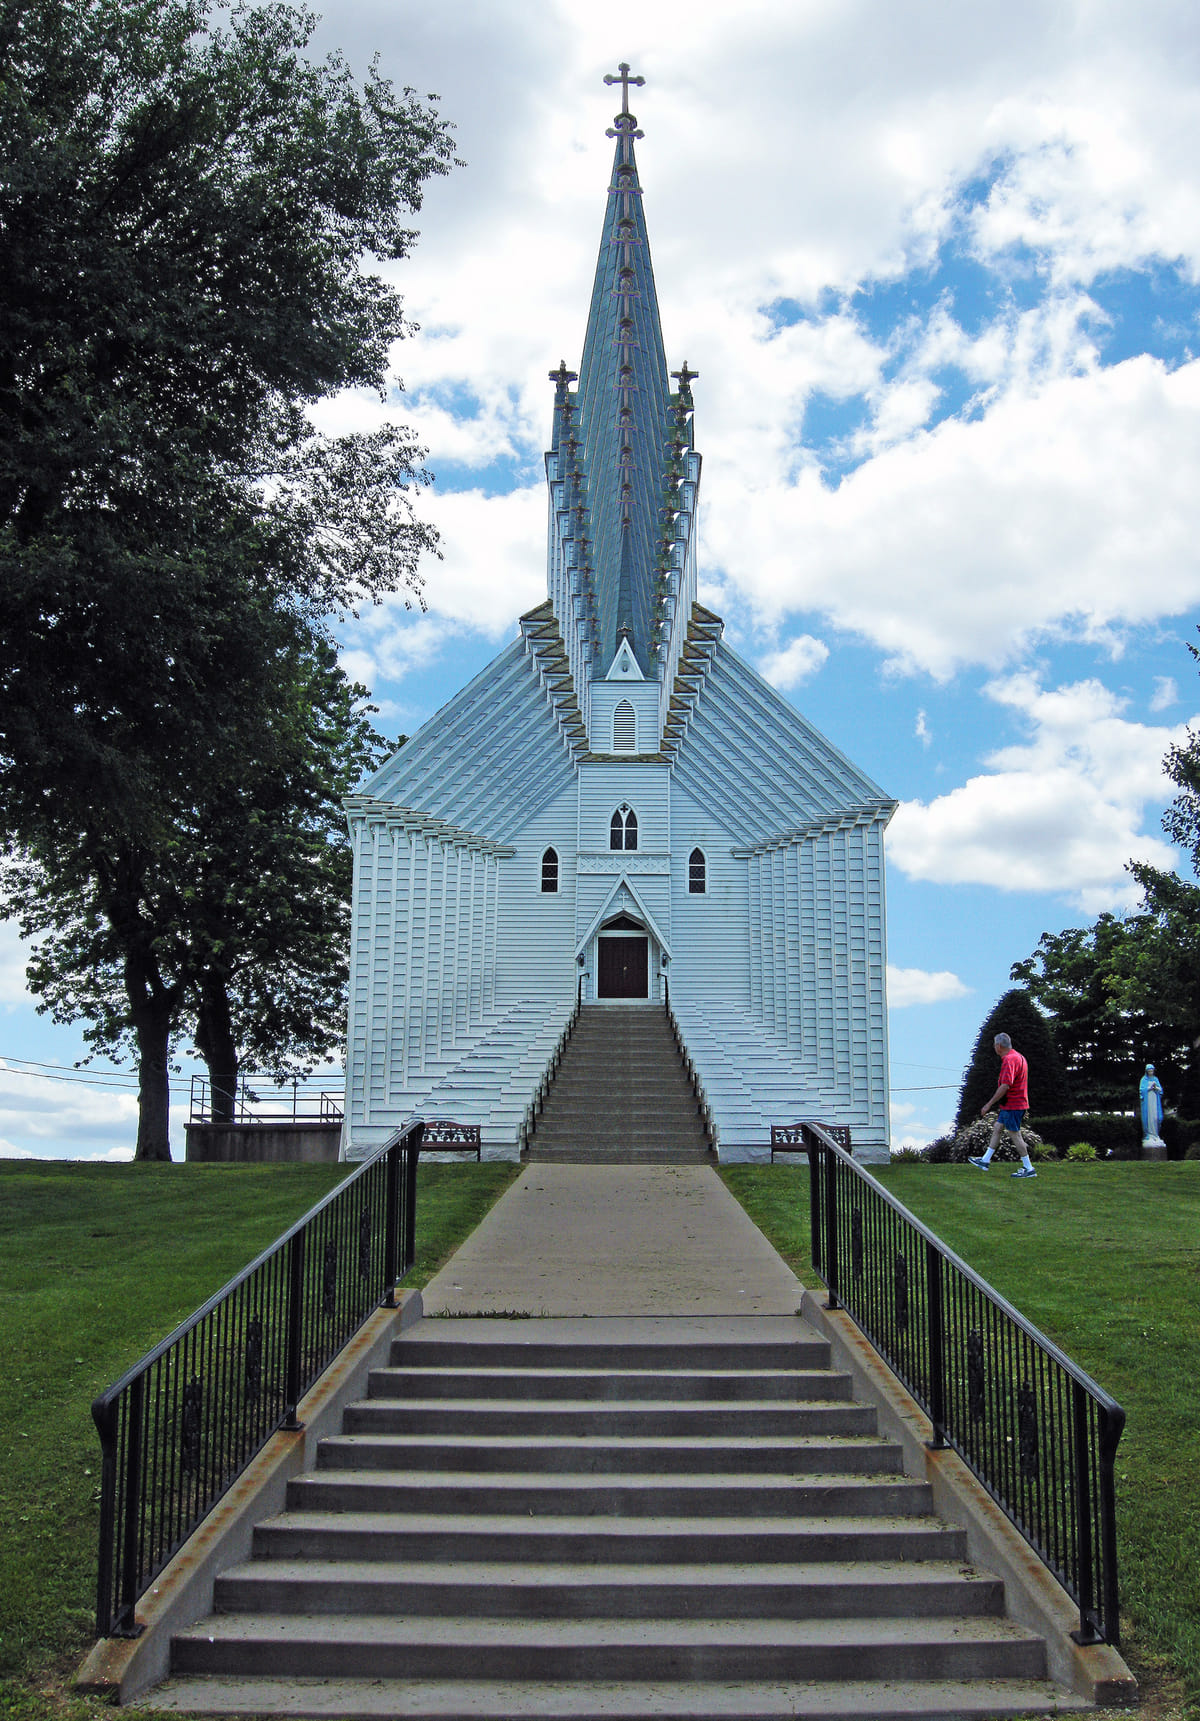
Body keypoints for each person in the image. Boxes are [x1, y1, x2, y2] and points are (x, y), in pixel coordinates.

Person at [968, 1032, 1037, 1178]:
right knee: (998, 1128)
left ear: (998, 1046)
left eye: (994, 1045)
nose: (994, 1047)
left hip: (1013, 1104)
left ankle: (1029, 1168)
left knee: (1015, 1134)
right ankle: (985, 1160)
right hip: (1013, 1104)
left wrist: (988, 1104)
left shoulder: (1009, 1060)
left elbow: (1006, 1085)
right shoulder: (1019, 1057)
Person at [1139, 1064, 1164, 1143]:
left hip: (1155, 1101)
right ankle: (1149, 1135)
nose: (1151, 1072)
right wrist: (1149, 1088)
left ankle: (1156, 1135)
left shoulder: (1156, 1079)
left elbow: (1160, 1090)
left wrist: (1156, 1088)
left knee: (1156, 1118)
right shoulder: (1143, 1079)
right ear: (1147, 1071)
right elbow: (1141, 1090)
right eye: (1149, 1071)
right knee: (1149, 1118)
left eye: (1152, 1071)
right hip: (1147, 1102)